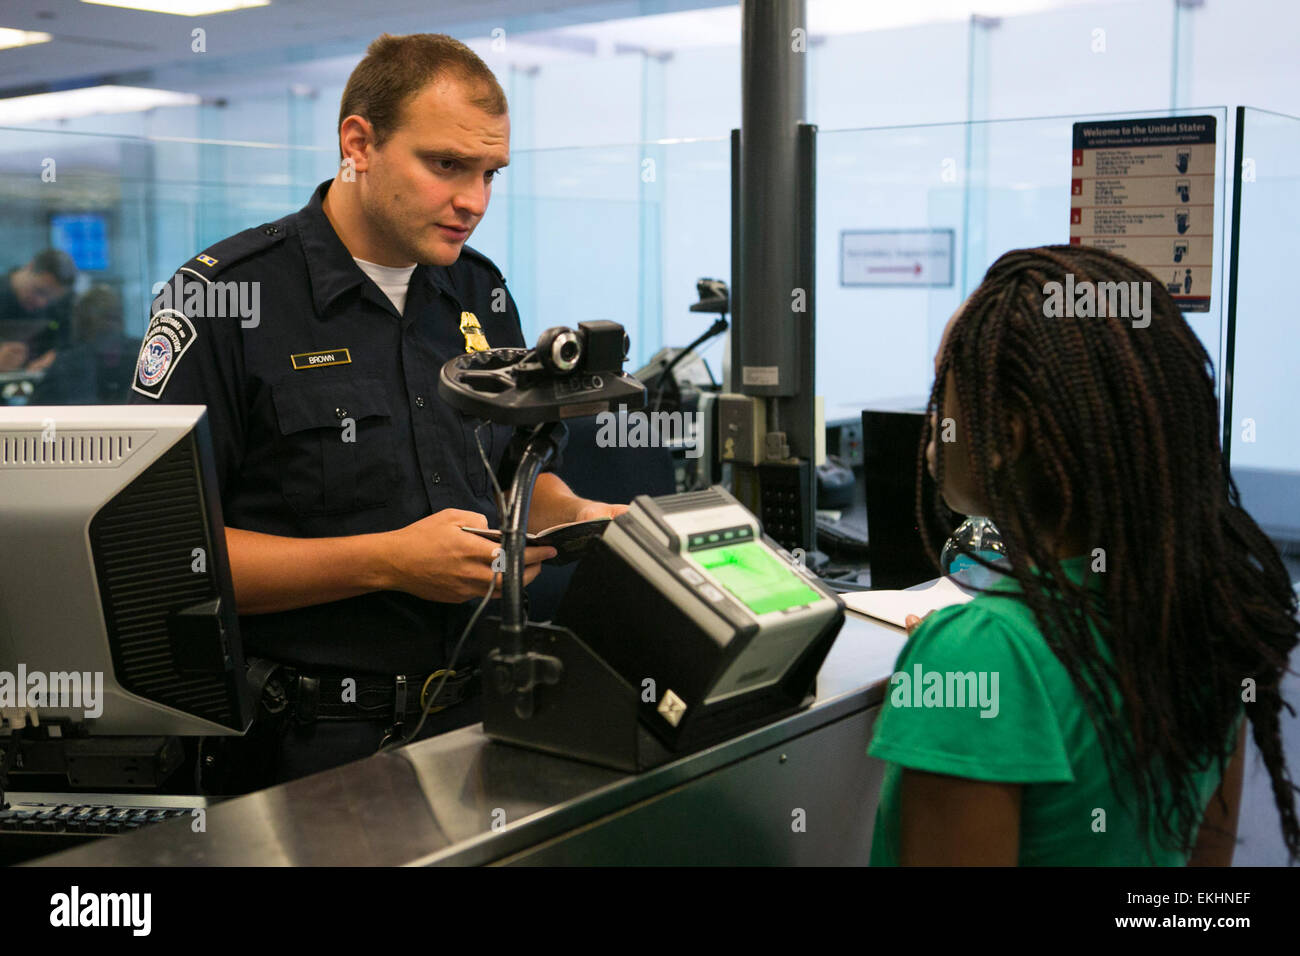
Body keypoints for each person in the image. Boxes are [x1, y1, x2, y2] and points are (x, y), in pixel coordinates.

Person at [128, 33, 628, 792]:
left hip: (477, 721)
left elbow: (512, 476)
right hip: (304, 748)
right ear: (358, 142)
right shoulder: (224, 300)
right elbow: (160, 561)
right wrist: (387, 561)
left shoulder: (478, 294)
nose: (474, 201)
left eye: (490, 173)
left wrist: (585, 519)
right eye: (446, 165)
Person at [868, 244, 1299, 865]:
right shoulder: (1205, 610)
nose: (934, 422)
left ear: (1004, 438)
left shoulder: (980, 651)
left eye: (946, 396)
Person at [32, 284, 139, 404]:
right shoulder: (68, 364)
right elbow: (37, 410)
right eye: (104, 317)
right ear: (86, 323)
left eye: (114, 317)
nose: (110, 325)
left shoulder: (141, 355)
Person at [0, 249, 77, 373]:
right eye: (39, 291)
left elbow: (69, 343)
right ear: (29, 267)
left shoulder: (60, 306)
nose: (42, 303)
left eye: (51, 300)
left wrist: (55, 358)